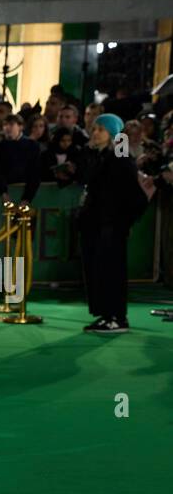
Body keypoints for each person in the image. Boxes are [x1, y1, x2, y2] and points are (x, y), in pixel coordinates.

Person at [79, 114, 150, 334]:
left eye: (101, 129)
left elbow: (134, 196)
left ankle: (117, 317)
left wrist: (121, 221)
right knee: (98, 271)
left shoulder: (119, 158)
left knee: (111, 271)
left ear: (112, 133)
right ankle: (106, 314)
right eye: (94, 128)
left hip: (110, 226)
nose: (95, 133)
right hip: (97, 225)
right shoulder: (100, 156)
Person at [0, 113, 41, 203]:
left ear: (21, 127)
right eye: (5, 124)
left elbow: (35, 172)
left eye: (11, 124)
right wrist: (3, 193)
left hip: (27, 193)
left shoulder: (32, 145)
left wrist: (27, 198)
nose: (7, 127)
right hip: (4, 194)